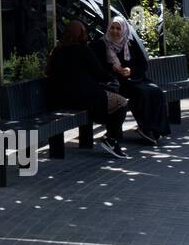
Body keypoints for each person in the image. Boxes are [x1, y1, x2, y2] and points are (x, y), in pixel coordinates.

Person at [46, 20, 128, 158]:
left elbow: (49, 72)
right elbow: (98, 72)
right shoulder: (83, 50)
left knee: (108, 97)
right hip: (82, 98)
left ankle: (111, 137)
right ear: (81, 34)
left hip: (60, 99)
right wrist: (112, 77)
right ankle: (112, 139)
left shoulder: (57, 51)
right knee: (121, 102)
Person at [92, 15, 170, 145]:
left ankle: (155, 129)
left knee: (156, 92)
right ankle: (146, 127)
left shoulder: (130, 44)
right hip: (117, 83)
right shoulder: (101, 44)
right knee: (142, 93)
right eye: (112, 28)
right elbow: (97, 66)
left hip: (134, 79)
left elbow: (143, 65)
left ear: (123, 30)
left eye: (118, 28)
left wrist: (130, 70)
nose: (115, 31)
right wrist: (113, 67)